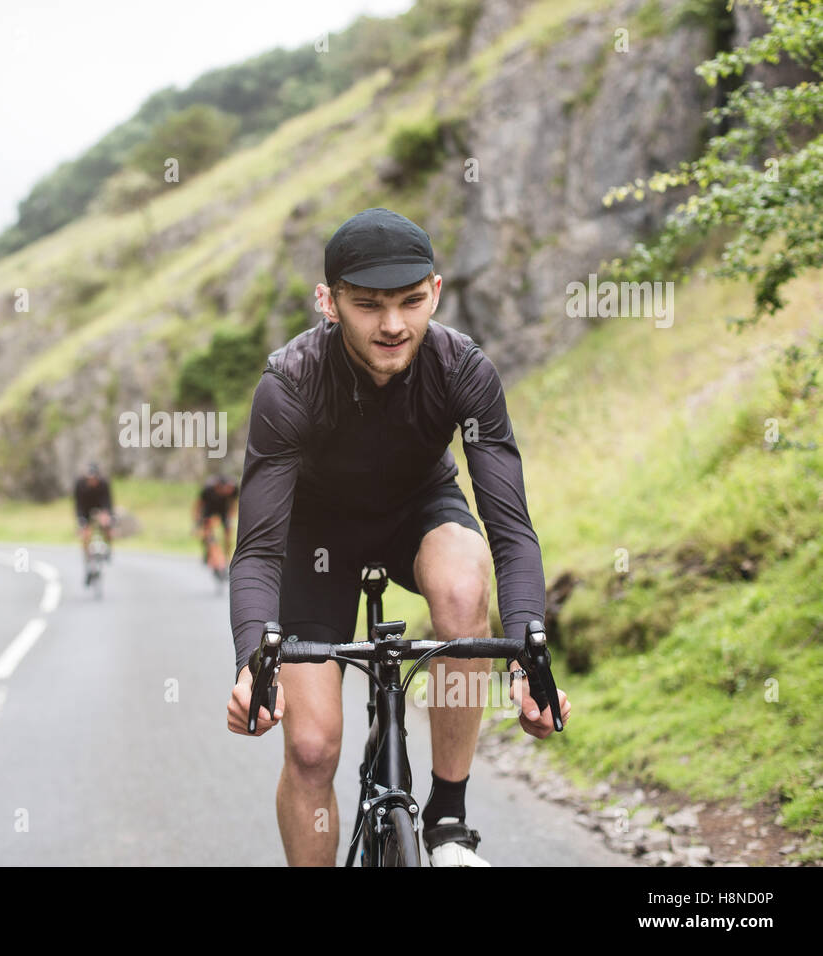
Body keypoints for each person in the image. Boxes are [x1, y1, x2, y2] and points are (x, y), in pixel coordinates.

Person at [225, 208, 571, 867]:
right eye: (368, 306)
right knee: (311, 748)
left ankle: (448, 820)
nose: (392, 325)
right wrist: (251, 664)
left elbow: (512, 531)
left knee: (464, 582)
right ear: (330, 303)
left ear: (436, 292)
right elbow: (259, 552)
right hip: (316, 537)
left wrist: (532, 653)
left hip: (419, 506)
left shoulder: (462, 367)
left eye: (412, 302)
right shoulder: (290, 384)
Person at [193, 474, 239, 567]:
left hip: (223, 509)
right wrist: (197, 522)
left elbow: (232, 504)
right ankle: (207, 552)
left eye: (230, 491)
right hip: (209, 508)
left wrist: (230, 518)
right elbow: (198, 505)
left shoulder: (233, 489)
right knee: (207, 532)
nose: (228, 492)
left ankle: (227, 557)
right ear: (219, 487)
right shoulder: (208, 489)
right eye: (226, 490)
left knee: (228, 531)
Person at [73, 463, 113, 566]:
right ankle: (86, 556)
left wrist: (106, 514)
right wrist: (80, 519)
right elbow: (78, 504)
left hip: (100, 506)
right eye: (89, 478)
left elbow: (108, 501)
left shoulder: (104, 484)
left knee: (106, 525)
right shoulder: (80, 485)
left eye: (94, 478)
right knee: (85, 532)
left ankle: (108, 548)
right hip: (85, 509)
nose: (91, 481)